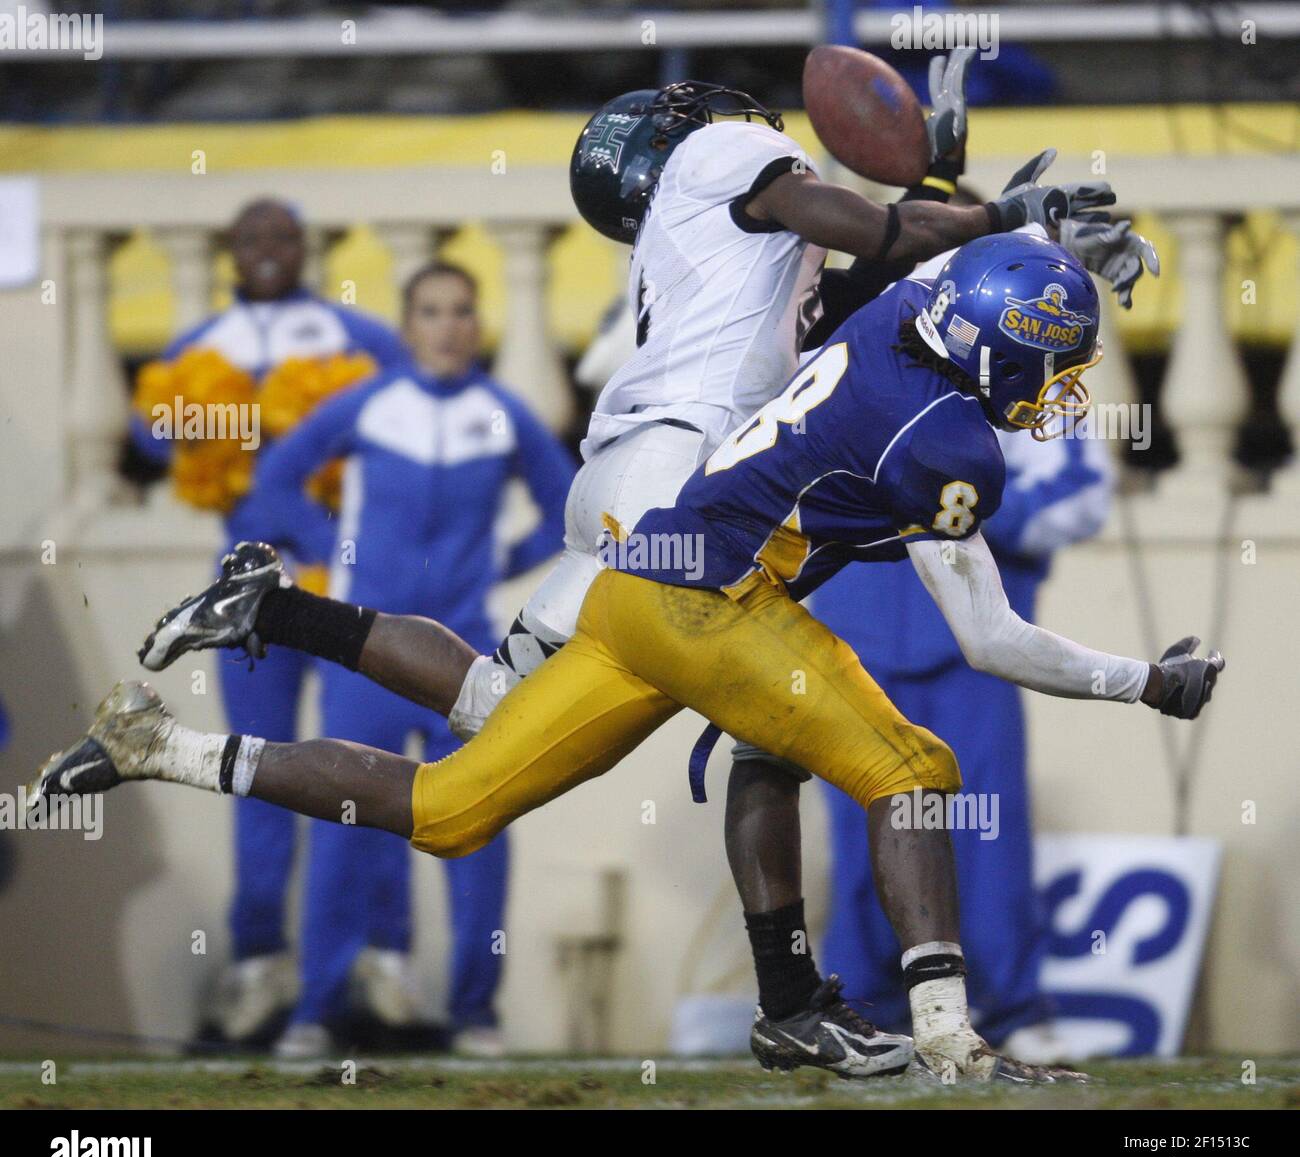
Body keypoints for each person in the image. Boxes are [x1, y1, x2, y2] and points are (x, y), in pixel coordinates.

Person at [31, 231, 1224, 1083]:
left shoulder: (892, 310)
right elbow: (992, 639)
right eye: (1053, 362)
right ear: (996, 351)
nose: (1061, 388)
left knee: (451, 807)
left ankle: (163, 744)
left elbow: (935, 252)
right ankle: (950, 1039)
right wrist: (1146, 684)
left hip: (631, 585)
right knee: (913, 771)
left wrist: (1041, 235)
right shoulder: (949, 444)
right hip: (711, 603)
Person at [234, 261, 573, 1058]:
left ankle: (476, 1015)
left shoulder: (504, 414)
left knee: (480, 828)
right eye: (430, 311)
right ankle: (316, 1009)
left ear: (477, 324)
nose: (447, 326)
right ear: (408, 322)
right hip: (364, 657)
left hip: (465, 660)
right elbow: (272, 485)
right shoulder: (366, 404)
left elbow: (570, 510)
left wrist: (497, 561)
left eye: (461, 311)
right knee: (343, 829)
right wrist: (332, 554)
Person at [131, 198, 409, 1044]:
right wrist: (235, 427)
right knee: (249, 770)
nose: (267, 251)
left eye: (282, 236)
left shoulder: (356, 336)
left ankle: (381, 958)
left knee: (368, 767)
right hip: (242, 597)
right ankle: (260, 963)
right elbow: (150, 438)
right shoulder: (197, 347)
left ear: (306, 247)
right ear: (227, 248)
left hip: (336, 588)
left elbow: (406, 414)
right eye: (249, 237)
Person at [815, 377, 1115, 1061]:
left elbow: (1080, 492)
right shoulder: (844, 357)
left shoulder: (1025, 379)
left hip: (973, 645)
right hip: (852, 641)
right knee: (863, 833)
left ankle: (1009, 1005)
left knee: (989, 833)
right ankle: (866, 1009)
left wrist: (970, 509)